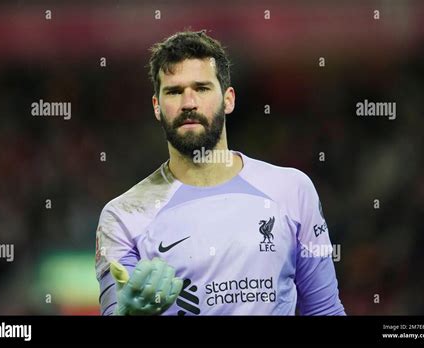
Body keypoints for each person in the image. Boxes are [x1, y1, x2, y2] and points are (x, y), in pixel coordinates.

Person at [95, 30, 345, 316]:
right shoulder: (123, 216)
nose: (188, 103)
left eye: (201, 88)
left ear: (228, 99)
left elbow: (325, 311)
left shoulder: (292, 190)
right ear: (157, 106)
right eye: (174, 91)